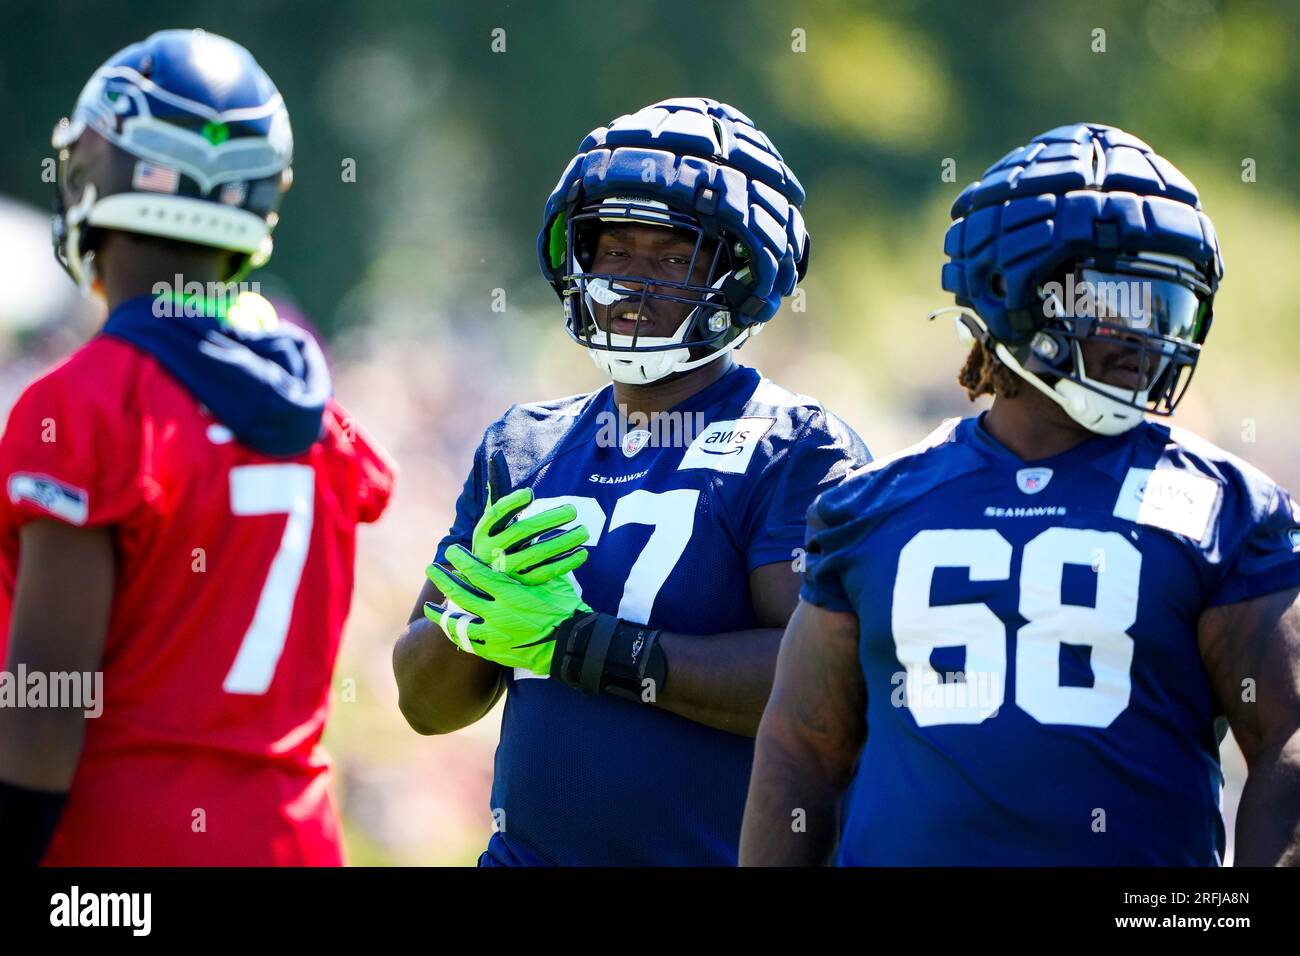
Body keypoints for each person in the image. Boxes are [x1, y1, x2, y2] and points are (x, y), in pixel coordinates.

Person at [740, 122, 1300, 866]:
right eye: (1117, 300)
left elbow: (1285, 742)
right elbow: (800, 751)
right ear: (1012, 292)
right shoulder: (873, 507)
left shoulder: (1223, 508)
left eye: (1164, 303)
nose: (1145, 335)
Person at [394, 97, 869, 865]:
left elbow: (822, 691)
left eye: (670, 255)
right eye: (613, 248)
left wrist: (578, 644)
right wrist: (474, 620)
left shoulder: (795, 450)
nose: (632, 282)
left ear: (742, 269)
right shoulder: (524, 445)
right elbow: (424, 703)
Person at [0, 29, 394, 865]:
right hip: (291, 838)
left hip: (121, 857)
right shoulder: (323, 421)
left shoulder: (85, 405)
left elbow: (46, 702)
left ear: (99, 175)